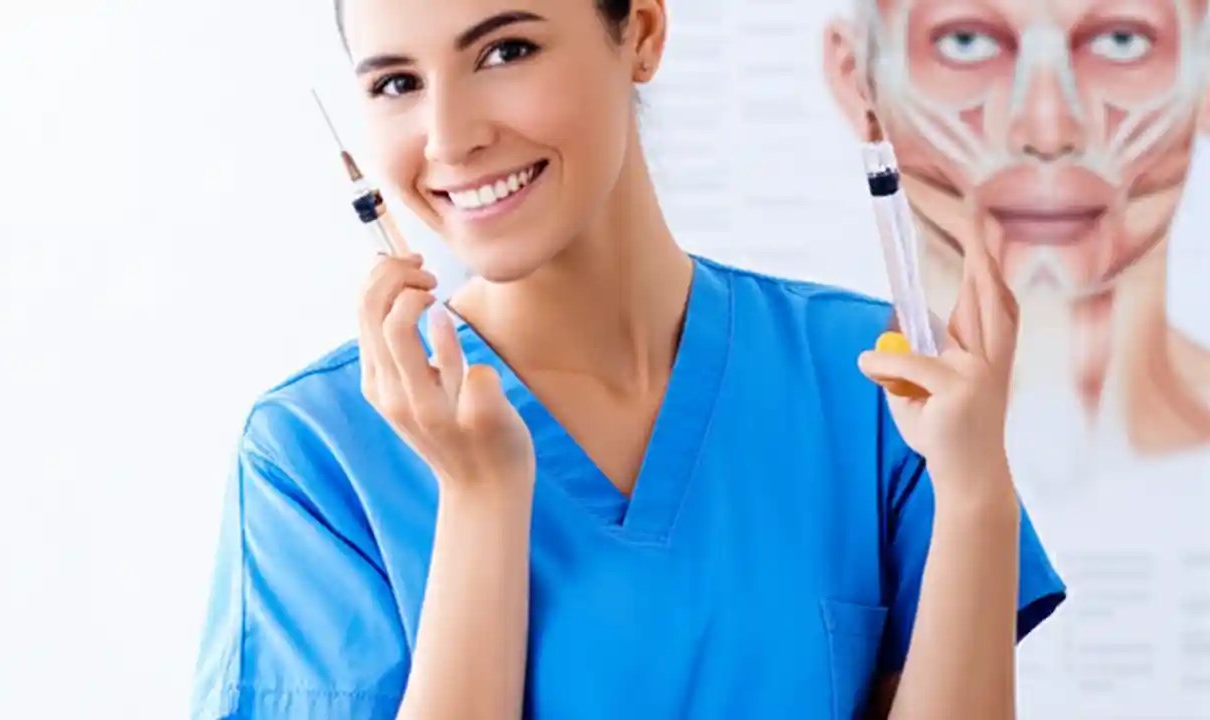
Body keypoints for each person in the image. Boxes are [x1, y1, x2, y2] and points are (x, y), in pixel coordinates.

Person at [191, 1, 1066, 718]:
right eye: (397, 83)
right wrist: (480, 502)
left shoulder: (873, 381)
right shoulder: (315, 454)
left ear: (641, 33)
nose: (450, 137)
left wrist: (977, 489)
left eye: (505, 50)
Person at [823, 0, 1210, 458]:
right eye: (965, 41)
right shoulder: (790, 439)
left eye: (1121, 41)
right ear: (859, 82)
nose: (1047, 133)